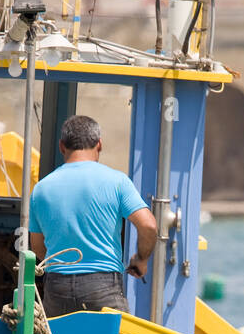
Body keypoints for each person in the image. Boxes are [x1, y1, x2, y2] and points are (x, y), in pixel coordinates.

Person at [28, 115, 157, 316]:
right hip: (103, 286)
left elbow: (36, 246)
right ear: (99, 145)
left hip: (57, 286)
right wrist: (141, 259)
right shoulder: (117, 182)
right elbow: (148, 226)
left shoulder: (40, 189)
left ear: (62, 147)